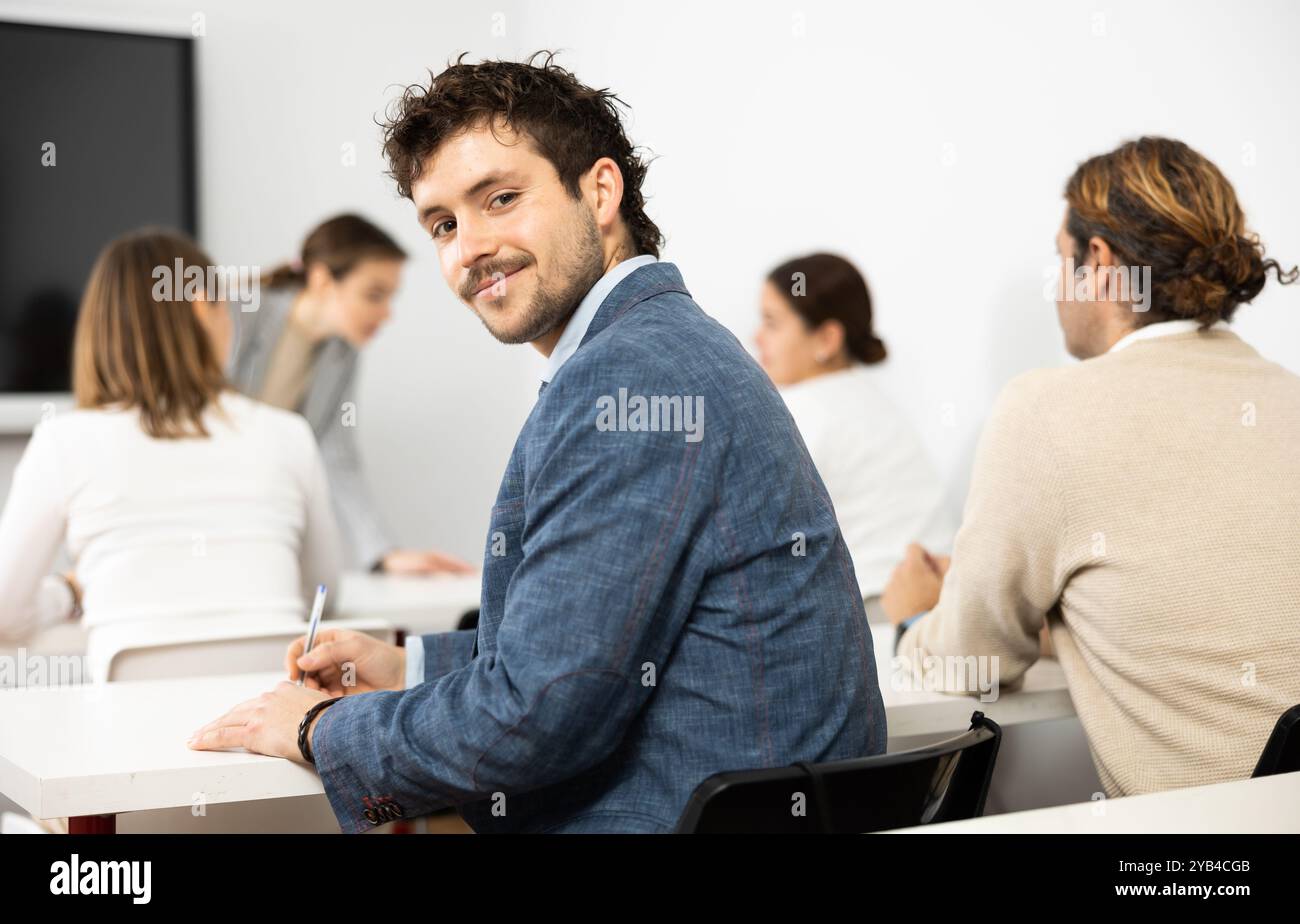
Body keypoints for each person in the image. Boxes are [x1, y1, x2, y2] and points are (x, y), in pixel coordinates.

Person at [191, 52, 885, 834]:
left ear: (599, 191)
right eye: (445, 224)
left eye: (501, 198)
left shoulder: (630, 379)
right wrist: (406, 666)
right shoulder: (665, 346)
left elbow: (533, 716)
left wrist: (316, 732)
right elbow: (588, 649)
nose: (469, 248)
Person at [882, 136, 1300, 797]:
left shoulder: (1047, 409)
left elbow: (975, 663)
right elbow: (1183, 627)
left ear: (1099, 261)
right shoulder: (1288, 396)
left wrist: (914, 619)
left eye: (1060, 259)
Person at [0, 229, 342, 680]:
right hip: (272, 732)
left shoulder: (63, 441)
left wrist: (69, 594)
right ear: (203, 308)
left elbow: (6, 616)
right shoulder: (288, 434)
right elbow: (322, 592)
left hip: (125, 736)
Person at [228, 213, 471, 575]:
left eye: (390, 297)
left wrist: (383, 554)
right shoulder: (240, 312)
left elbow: (335, 454)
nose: (386, 314)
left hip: (257, 510)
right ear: (322, 280)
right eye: (374, 295)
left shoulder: (342, 353)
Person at [756, 252, 952, 613]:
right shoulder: (875, 404)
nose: (757, 338)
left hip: (872, 625)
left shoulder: (801, 409)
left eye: (772, 324)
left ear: (827, 339)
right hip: (928, 616)